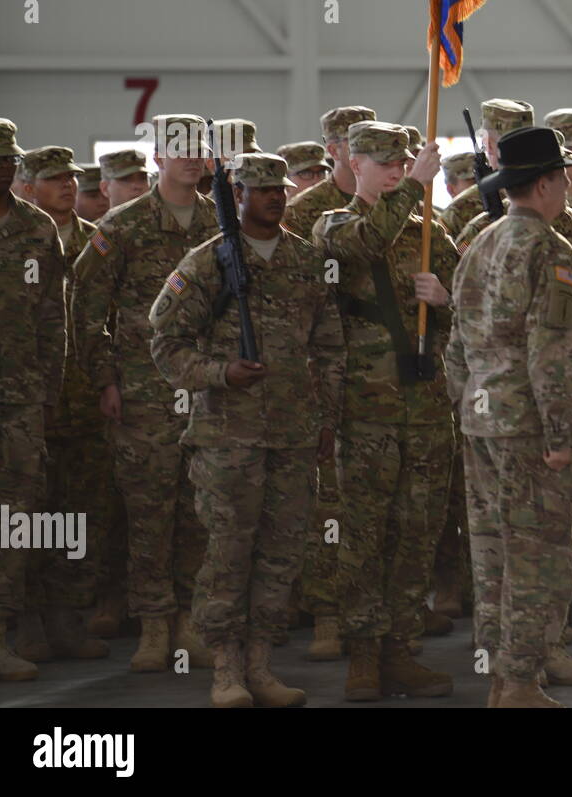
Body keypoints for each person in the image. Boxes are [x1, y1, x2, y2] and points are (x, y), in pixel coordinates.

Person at [150, 152, 345, 707]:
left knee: (282, 554)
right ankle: (226, 669)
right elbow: (165, 343)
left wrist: (327, 417)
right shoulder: (207, 262)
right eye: (261, 190)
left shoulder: (305, 260)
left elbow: (330, 346)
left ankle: (261, 664)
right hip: (227, 435)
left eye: (279, 188)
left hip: (292, 432)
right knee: (229, 553)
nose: (275, 197)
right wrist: (220, 373)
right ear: (236, 196)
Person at [445, 126, 572, 707]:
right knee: (539, 554)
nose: (569, 189)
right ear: (547, 183)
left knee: (493, 553)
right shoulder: (551, 249)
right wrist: (560, 431)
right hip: (530, 427)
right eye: (564, 179)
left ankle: (502, 679)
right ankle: (522, 680)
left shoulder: (481, 242)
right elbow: (550, 350)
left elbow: (456, 344)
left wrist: (468, 403)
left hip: (482, 420)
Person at [311, 121, 457, 701]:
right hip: (366, 408)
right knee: (364, 535)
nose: (397, 170)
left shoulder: (429, 234)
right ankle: (364, 655)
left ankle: (401, 648)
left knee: (418, 533)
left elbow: (471, 313)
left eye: (404, 162)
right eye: (385, 162)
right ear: (355, 164)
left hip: (424, 405)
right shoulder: (335, 225)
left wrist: (445, 301)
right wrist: (414, 187)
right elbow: (367, 243)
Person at [71, 113, 218, 672]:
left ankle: (191, 624)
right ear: (158, 157)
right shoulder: (123, 225)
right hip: (142, 389)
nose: (190, 158)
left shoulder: (220, 221)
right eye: (179, 149)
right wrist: (104, 379)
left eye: (198, 148)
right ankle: (154, 626)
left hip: (206, 390)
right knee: (149, 511)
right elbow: (86, 307)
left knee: (201, 511)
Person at [282, 105, 374, 659]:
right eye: (347, 142)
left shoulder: (396, 206)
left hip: (382, 373)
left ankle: (380, 612)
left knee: (379, 498)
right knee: (329, 503)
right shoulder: (303, 212)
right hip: (325, 371)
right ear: (334, 150)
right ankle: (326, 613)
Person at [12, 147, 110, 663]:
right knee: (27, 516)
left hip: (85, 400)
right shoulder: (16, 238)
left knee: (80, 518)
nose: (68, 186)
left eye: (70, 178)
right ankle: (26, 621)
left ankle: (68, 620)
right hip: (27, 400)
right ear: (27, 186)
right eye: (54, 179)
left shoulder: (98, 240)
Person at [0, 118, 66, 682]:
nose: (5, 167)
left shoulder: (37, 229)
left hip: (19, 402)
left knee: (13, 523)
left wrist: (48, 395)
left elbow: (52, 319)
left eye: (10, 159)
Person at [439, 99, 533, 239]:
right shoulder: (550, 189)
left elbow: (455, 250)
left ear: (488, 144)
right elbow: (459, 251)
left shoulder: (460, 209)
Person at [283, 105, 376, 240]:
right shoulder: (299, 212)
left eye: (373, 140)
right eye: (356, 141)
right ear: (333, 150)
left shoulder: (392, 199)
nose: (369, 148)